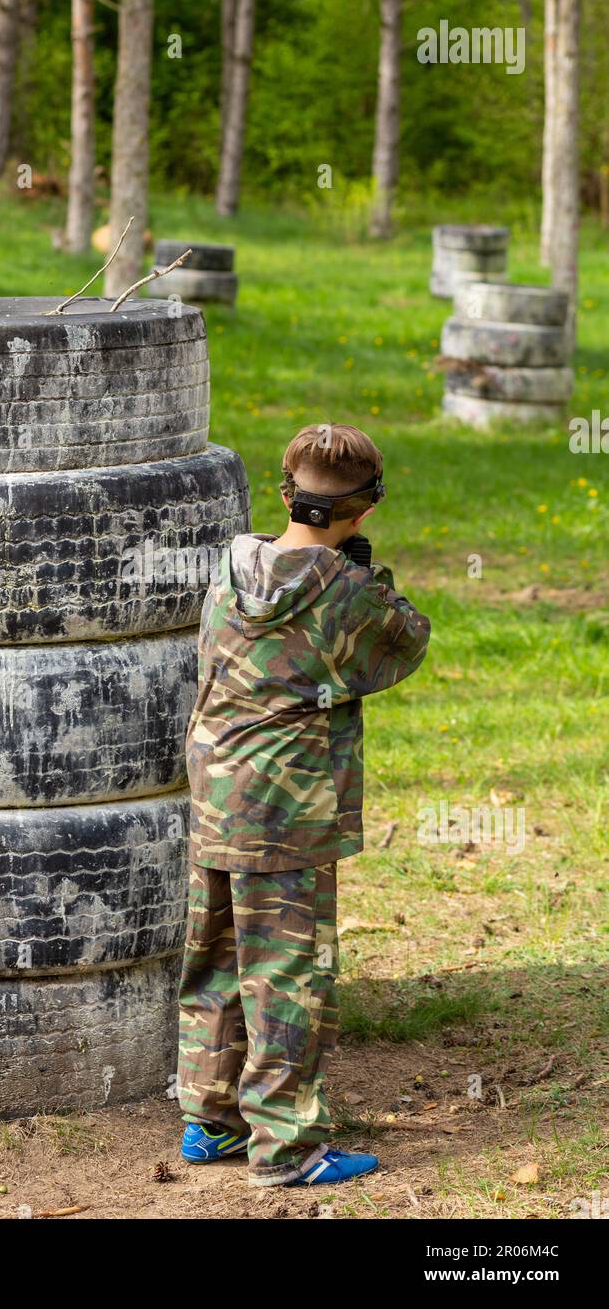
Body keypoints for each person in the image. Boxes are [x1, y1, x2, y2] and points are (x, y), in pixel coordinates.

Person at [177, 422, 431, 1187]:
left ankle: (209, 1120)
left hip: (216, 797)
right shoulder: (347, 596)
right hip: (286, 815)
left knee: (217, 961)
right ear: (369, 505)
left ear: (284, 493)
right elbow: (408, 643)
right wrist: (365, 574)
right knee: (288, 974)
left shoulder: (229, 566)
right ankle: (287, 1148)